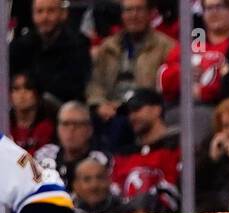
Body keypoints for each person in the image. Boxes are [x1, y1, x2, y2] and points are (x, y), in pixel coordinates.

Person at [85, 0, 176, 129]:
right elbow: (96, 83)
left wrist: (135, 107)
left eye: (139, 10)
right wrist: (99, 104)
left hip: (144, 109)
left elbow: (164, 89)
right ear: (122, 15)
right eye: (128, 10)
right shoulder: (108, 46)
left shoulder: (166, 47)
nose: (134, 15)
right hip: (109, 108)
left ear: (150, 14)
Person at [8, 0, 93, 106]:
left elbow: (75, 86)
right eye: (39, 11)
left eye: (51, 11)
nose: (45, 17)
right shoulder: (20, 46)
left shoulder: (78, 44)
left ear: (63, 14)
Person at [34, 102, 111, 187]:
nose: (71, 130)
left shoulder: (100, 161)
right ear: (58, 129)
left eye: (77, 124)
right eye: (65, 124)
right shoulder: (45, 155)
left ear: (89, 130)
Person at [8, 73, 57, 154]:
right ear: (9, 95)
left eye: (28, 88)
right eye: (16, 88)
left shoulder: (49, 127)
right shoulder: (4, 127)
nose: (22, 94)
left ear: (37, 94)